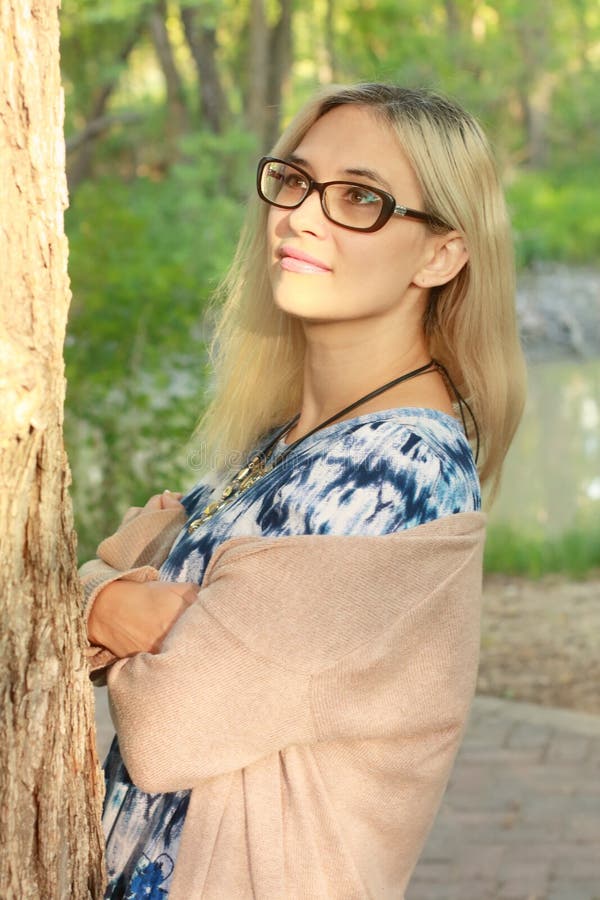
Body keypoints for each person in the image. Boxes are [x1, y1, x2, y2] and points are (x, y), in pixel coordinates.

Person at [81, 82, 526, 899]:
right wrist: (114, 603)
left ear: (441, 254)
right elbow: (100, 600)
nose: (303, 215)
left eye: (359, 197)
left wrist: (106, 599)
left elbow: (172, 720)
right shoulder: (277, 445)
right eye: (294, 180)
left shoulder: (399, 469)